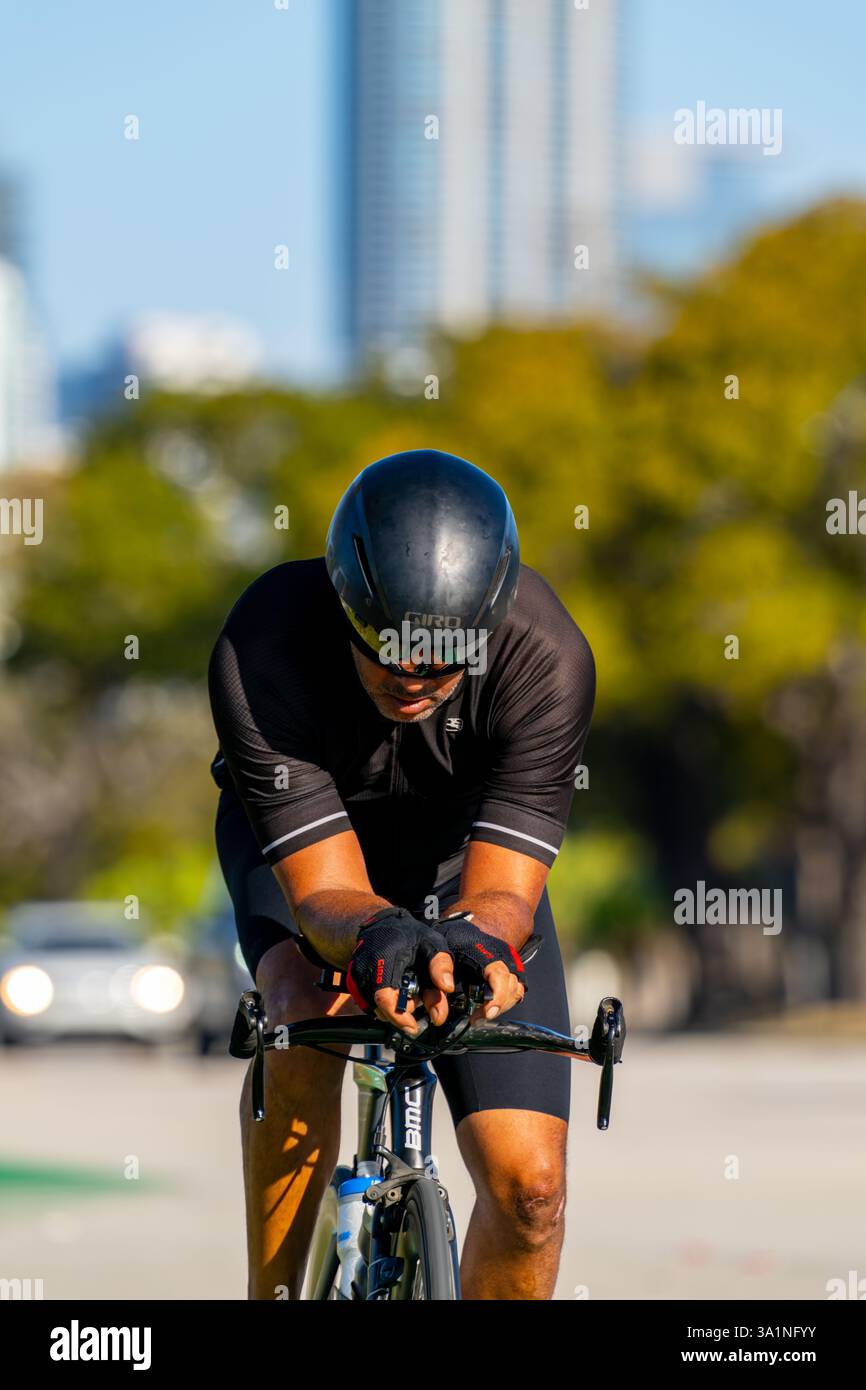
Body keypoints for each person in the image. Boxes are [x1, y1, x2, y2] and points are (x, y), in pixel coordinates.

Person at [208, 447, 595, 1299]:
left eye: (444, 658)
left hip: (464, 868)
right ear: (345, 605)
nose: (413, 679)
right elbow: (322, 894)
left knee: (531, 1191)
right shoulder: (265, 640)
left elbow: (502, 894)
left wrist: (475, 940)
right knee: (306, 1011)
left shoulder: (547, 658)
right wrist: (374, 934)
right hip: (305, 857)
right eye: (386, 651)